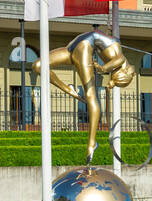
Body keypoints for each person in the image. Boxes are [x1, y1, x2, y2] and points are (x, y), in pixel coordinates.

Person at [36, 29, 135, 165]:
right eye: (115, 77)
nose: (112, 75)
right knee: (38, 65)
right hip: (73, 47)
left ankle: (91, 143)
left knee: (90, 95)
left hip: (83, 47)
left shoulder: (113, 51)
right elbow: (120, 59)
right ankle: (68, 89)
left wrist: (104, 68)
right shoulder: (119, 55)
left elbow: (115, 61)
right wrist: (104, 69)